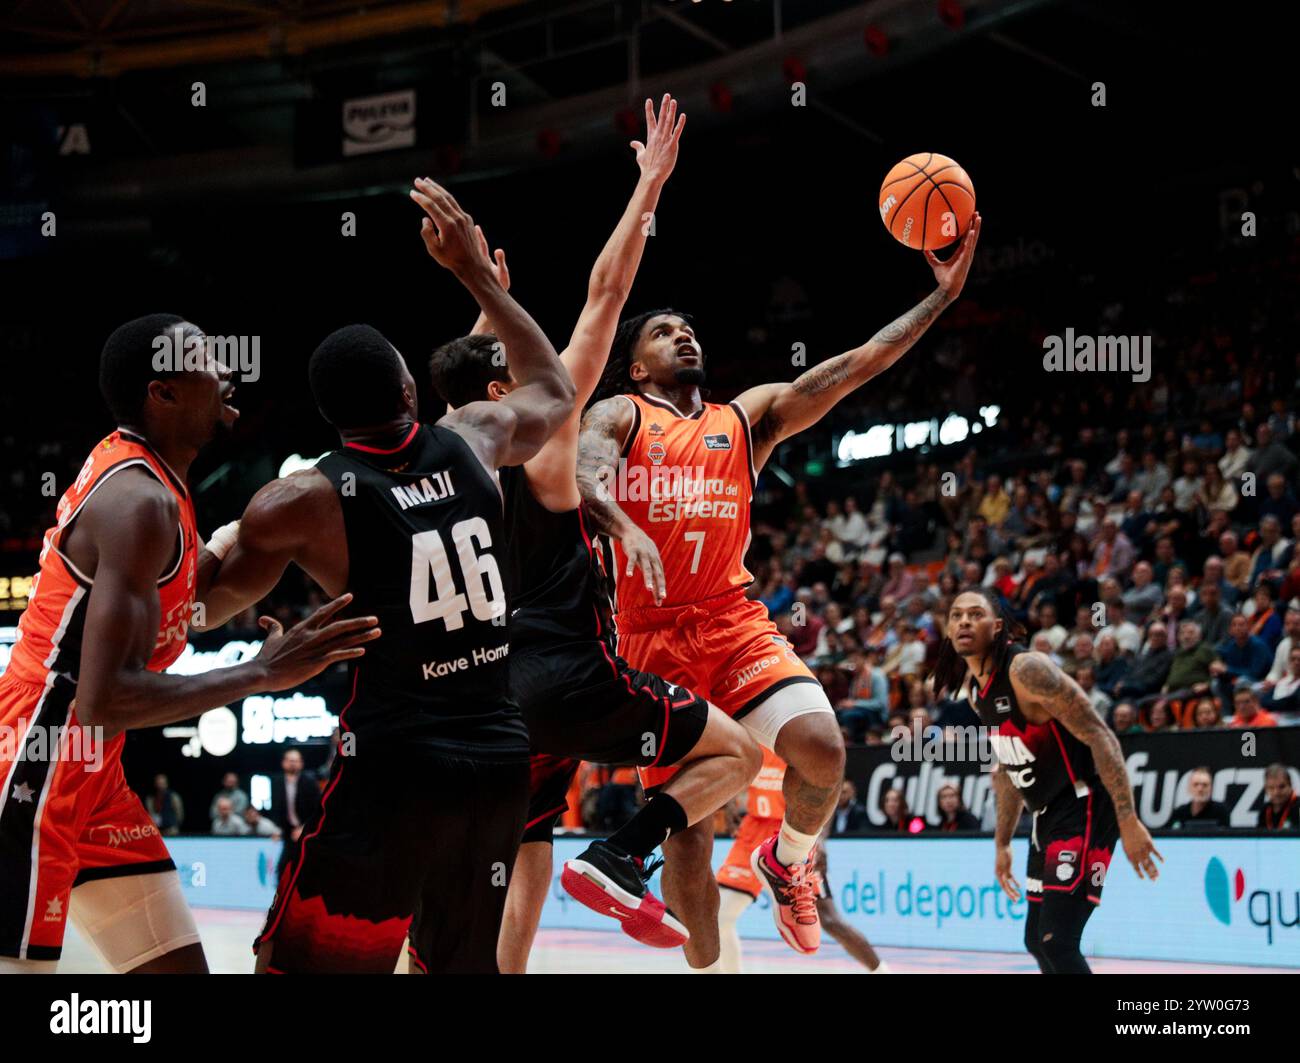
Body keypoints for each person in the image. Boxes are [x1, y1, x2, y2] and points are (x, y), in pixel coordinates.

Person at [576, 213, 982, 965]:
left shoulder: (748, 417)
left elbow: (857, 363)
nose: (683, 337)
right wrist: (616, 522)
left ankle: (788, 858)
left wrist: (942, 299)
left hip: (732, 622)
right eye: (663, 332)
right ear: (635, 365)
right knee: (687, 834)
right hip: (648, 636)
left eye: (688, 328)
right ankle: (705, 965)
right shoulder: (619, 412)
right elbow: (586, 473)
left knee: (824, 748)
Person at [200, 178, 575, 974]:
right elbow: (558, 388)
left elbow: (199, 608)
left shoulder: (301, 499)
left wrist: (228, 527)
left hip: (397, 766)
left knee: (306, 968)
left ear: (330, 417)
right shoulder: (477, 434)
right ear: (411, 390)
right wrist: (475, 276)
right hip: (499, 760)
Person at [428, 97, 760, 968]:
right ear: (507, 390)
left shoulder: (431, 463)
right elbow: (605, 295)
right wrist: (649, 184)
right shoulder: (543, 434)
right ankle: (622, 851)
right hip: (568, 675)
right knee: (737, 753)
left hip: (481, 699)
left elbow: (464, 381)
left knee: (516, 849)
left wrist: (484, 305)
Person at [0, 314, 375, 974]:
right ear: (162, 391)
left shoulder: (157, 481)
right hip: (37, 757)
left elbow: (188, 607)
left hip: (90, 769)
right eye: (204, 357)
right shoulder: (138, 503)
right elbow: (104, 699)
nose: (227, 367)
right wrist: (260, 670)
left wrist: (260, 525)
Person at [934, 587, 1160, 974]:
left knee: (1058, 943)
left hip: (1084, 804)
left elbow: (1101, 735)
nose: (964, 621)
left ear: (998, 626)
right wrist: (1002, 842)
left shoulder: (1026, 670)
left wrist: (1128, 819)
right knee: (1036, 941)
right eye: (956, 615)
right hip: (1046, 815)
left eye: (975, 614)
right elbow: (1006, 768)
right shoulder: (975, 692)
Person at [715, 750, 888, 973]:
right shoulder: (751, 728)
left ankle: (882, 970)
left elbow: (827, 789)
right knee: (720, 917)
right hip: (753, 828)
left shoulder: (803, 733)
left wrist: (820, 838)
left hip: (793, 833)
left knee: (829, 919)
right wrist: (729, 800)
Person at [267, 748, 322, 879]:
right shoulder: (277, 782)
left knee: (308, 869)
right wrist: (277, 829)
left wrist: (304, 828)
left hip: (309, 831)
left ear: (301, 764)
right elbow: (276, 809)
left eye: (296, 761)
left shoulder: (309, 782)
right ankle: (282, 898)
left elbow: (317, 810)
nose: (293, 764)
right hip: (288, 832)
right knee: (282, 869)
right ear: (283, 763)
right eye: (290, 760)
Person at [1257, 763, 1299, 830]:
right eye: (1271, 788)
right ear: (1265, 789)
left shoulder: (1298, 807)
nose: (1276, 792)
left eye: (1281, 787)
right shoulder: (1264, 810)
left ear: (1290, 785)